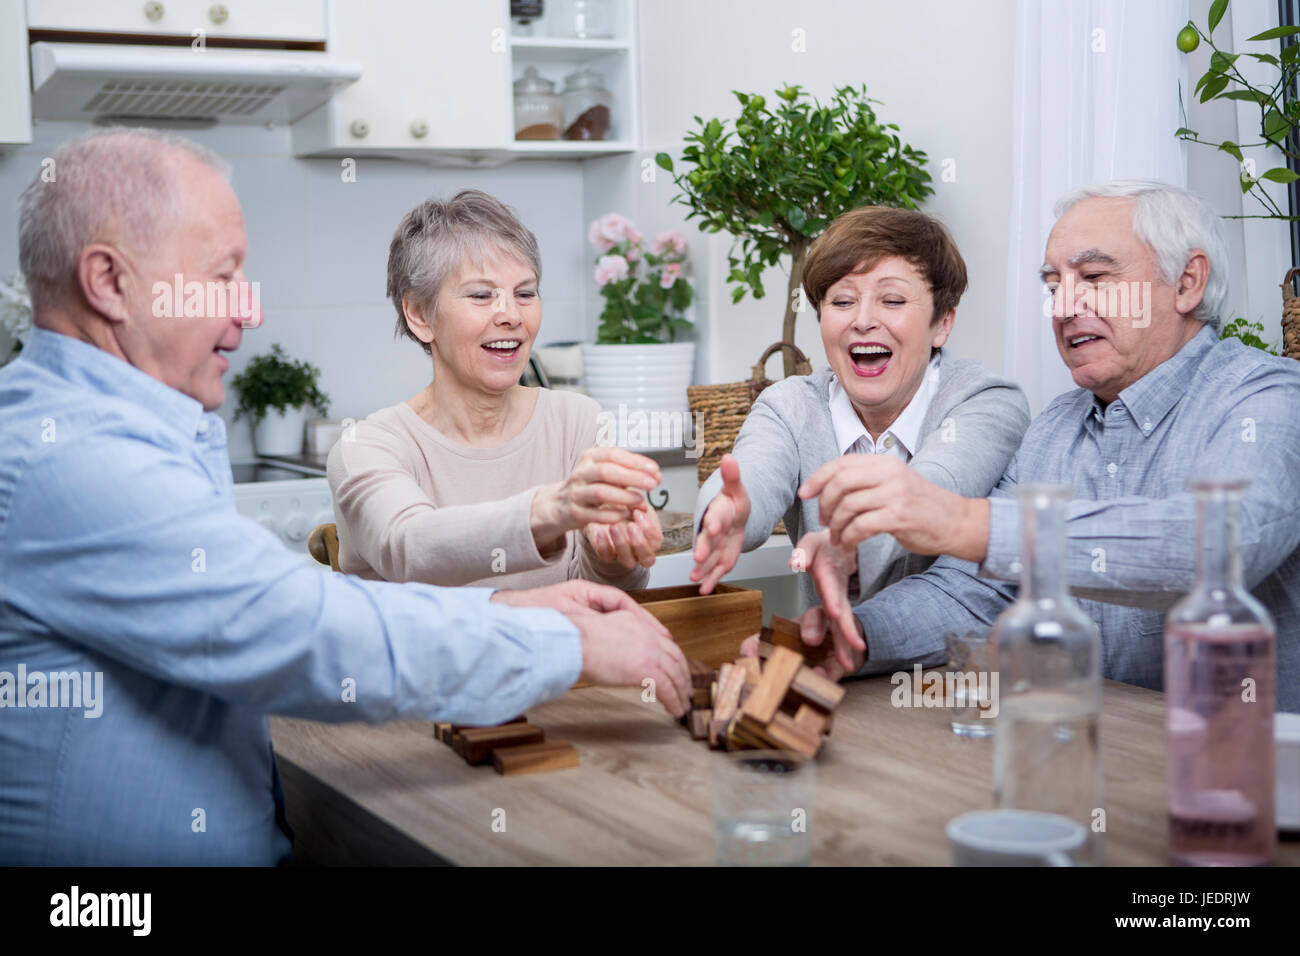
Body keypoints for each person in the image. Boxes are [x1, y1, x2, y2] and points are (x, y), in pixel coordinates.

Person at [0, 129, 690, 865]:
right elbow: (302, 630)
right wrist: (562, 637)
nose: (250, 310)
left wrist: (525, 606)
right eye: (223, 274)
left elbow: (300, 611)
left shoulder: (122, 427)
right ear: (108, 282)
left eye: (523, 293)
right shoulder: (70, 456)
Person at [789, 180, 1300, 710]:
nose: (1062, 307)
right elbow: (976, 592)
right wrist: (850, 638)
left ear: (1187, 282)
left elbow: (1218, 545)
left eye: (1096, 277)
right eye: (1054, 285)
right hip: (1096, 764)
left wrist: (965, 524)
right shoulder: (1057, 427)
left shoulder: (1269, 398)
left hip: (1249, 776)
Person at [690, 205, 1030, 617]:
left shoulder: (986, 400)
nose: (864, 320)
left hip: (960, 675)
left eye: (892, 299)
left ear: (942, 323)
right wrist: (727, 512)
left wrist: (848, 545)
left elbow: (931, 490)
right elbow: (754, 474)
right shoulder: (791, 405)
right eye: (843, 301)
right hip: (835, 673)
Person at [327, 190, 662, 591]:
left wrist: (611, 557)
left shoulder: (579, 422)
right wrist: (549, 511)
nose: (511, 316)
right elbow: (410, 549)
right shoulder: (367, 446)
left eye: (525, 293)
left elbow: (601, 602)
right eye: (481, 295)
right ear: (418, 314)